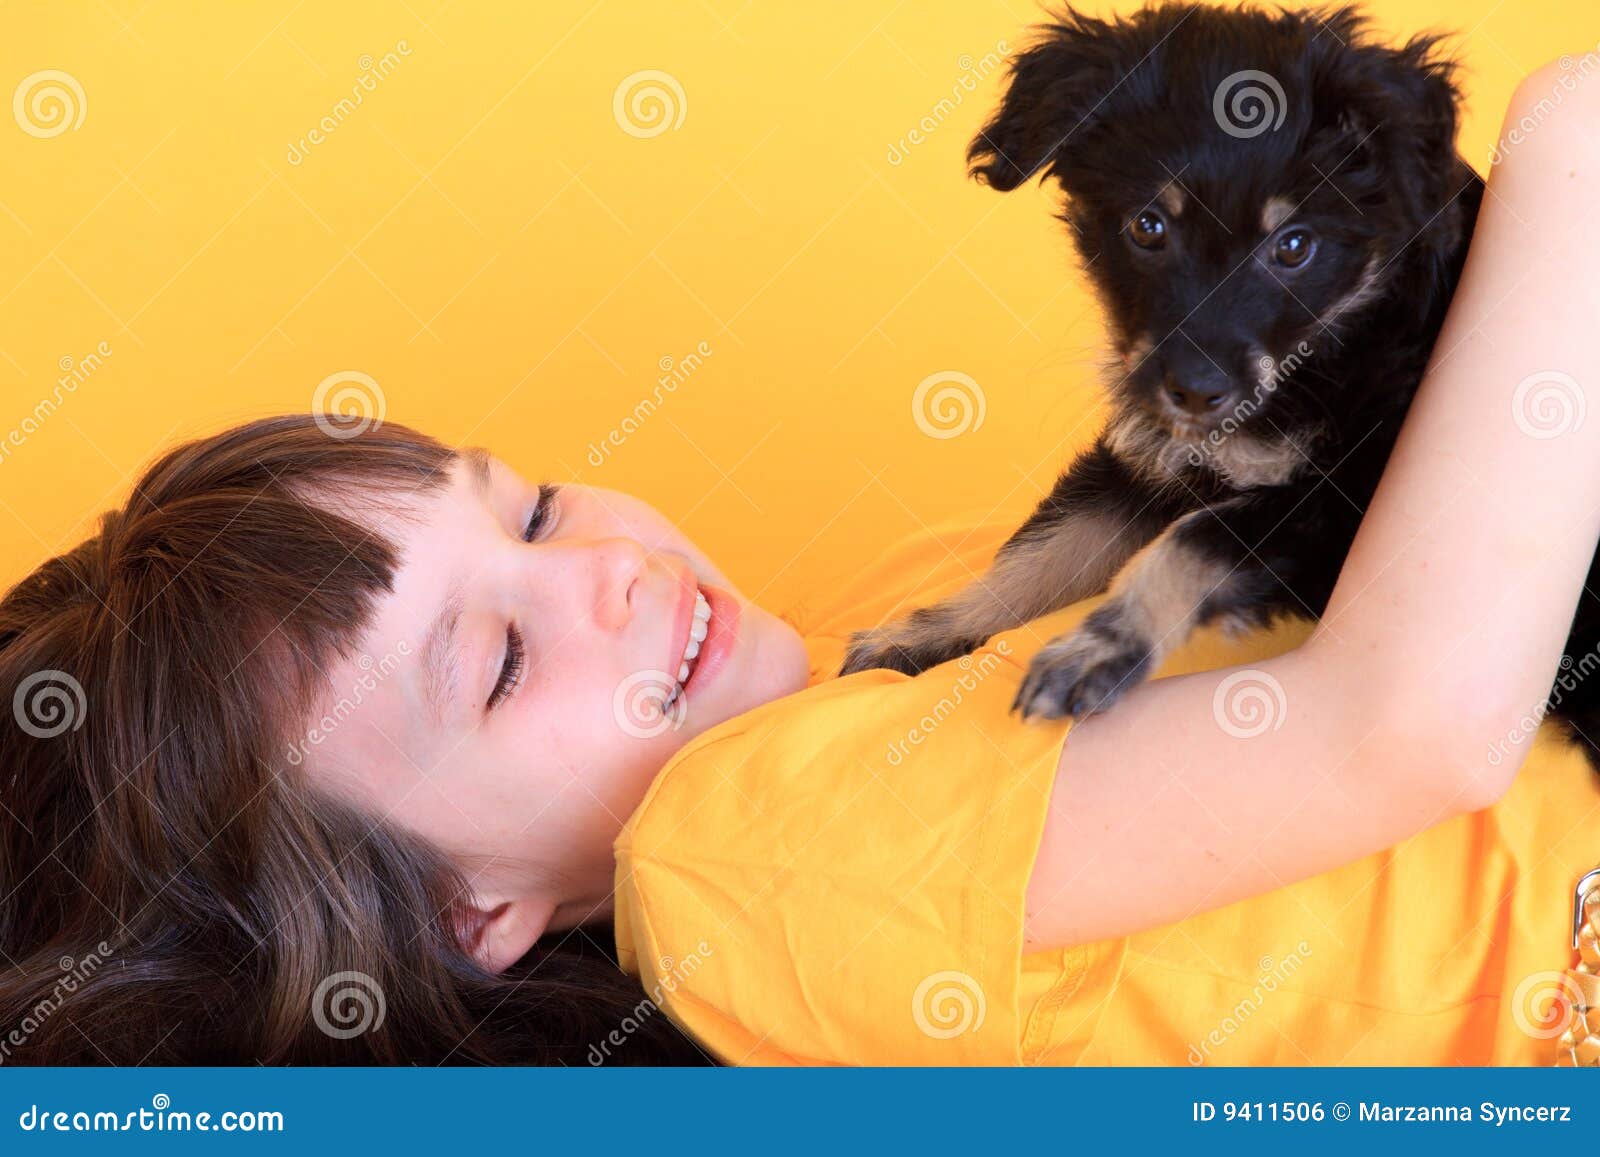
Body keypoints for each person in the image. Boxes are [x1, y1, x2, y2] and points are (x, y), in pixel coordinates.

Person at [1, 57, 1595, 1065]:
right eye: (494, 660)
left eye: (535, 508)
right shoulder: (744, 871)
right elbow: (1417, 720)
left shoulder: (852, 679)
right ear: (466, 920)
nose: (599, 572)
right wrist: (1566, 139)